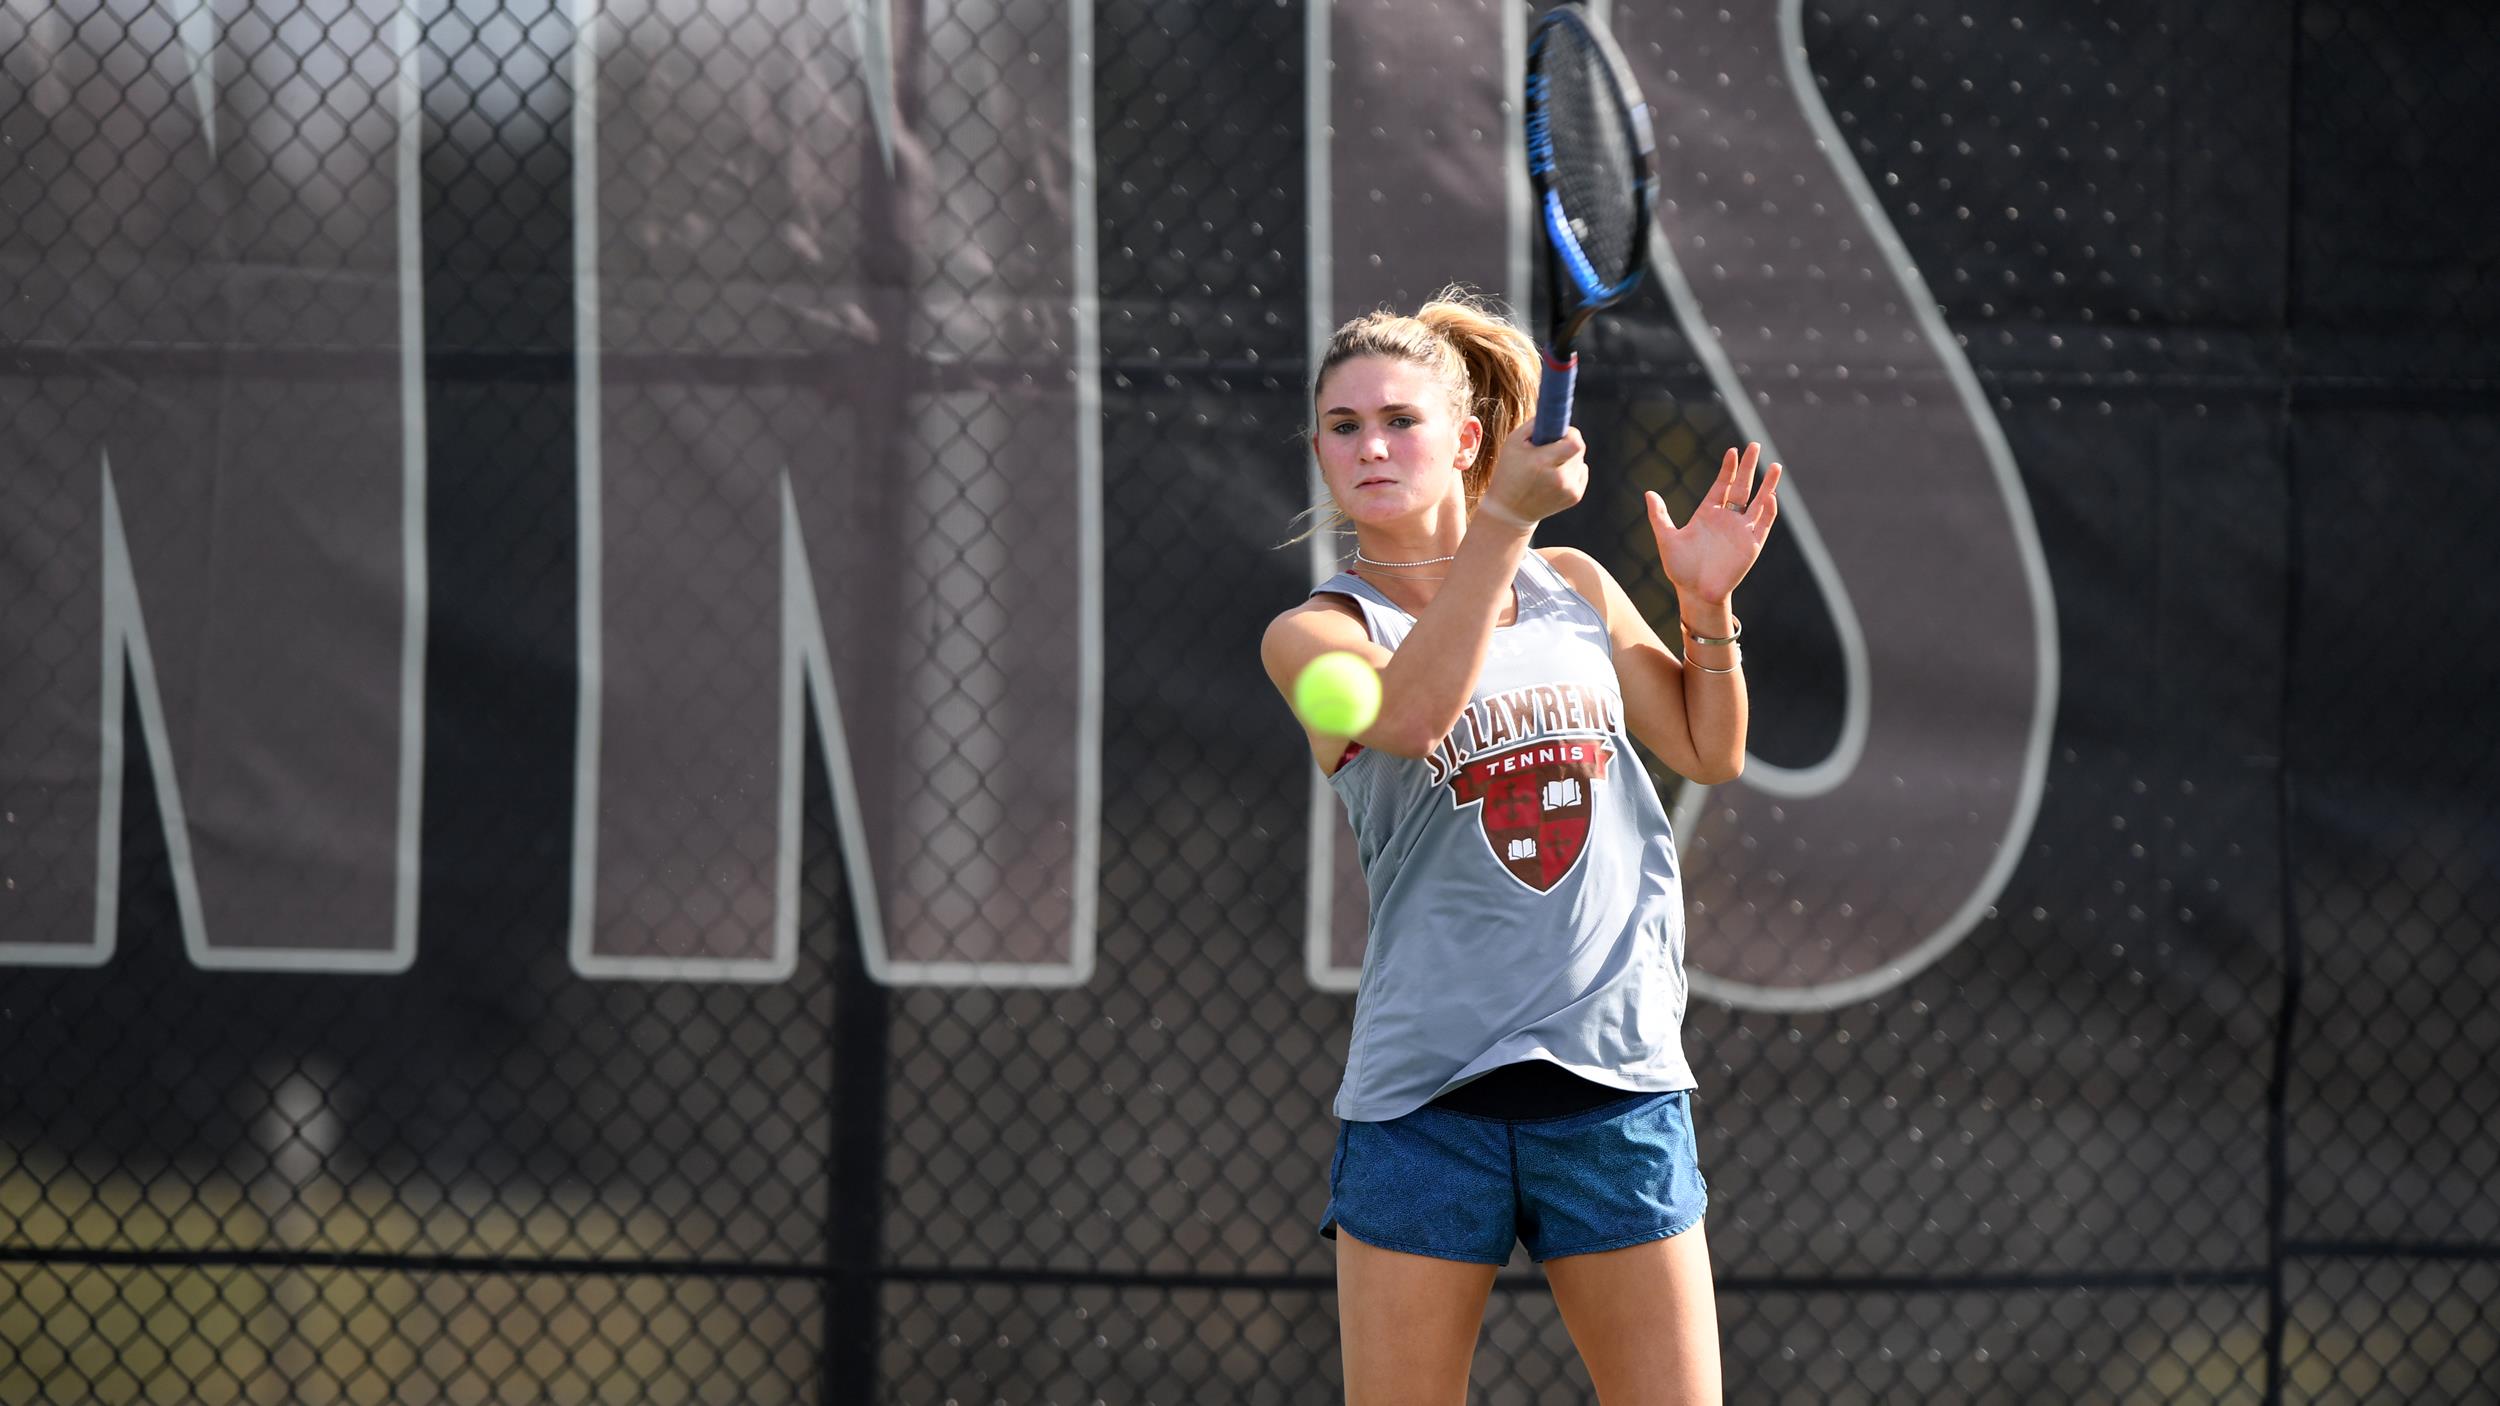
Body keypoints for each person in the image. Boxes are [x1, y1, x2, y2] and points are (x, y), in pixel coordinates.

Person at [1260, 292, 1783, 1406]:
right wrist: (1502, 521)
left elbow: (1707, 745)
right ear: (1318, 453)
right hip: (1423, 1106)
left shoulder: (1579, 588)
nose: (1370, 445)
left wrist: (1705, 606)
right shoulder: (1311, 636)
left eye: (1399, 418)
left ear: (1464, 439)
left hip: (1615, 1085)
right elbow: (1404, 719)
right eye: (1342, 427)